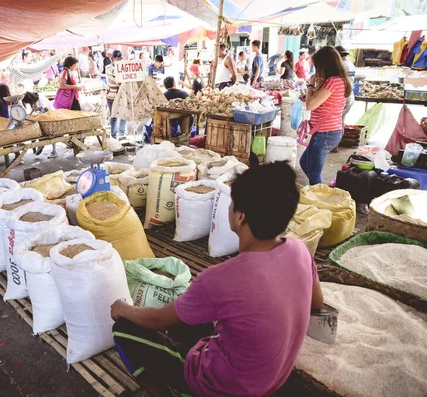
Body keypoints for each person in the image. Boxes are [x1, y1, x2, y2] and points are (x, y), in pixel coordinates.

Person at [111, 162, 324, 397]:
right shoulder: (300, 250)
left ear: (240, 216)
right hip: (272, 379)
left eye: (232, 203)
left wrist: (123, 308)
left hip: (220, 387)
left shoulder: (221, 279)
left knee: (123, 329)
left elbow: (159, 321)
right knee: (191, 313)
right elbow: (316, 303)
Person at [300, 46, 351, 185]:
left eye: (317, 66)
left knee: (314, 174)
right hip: (327, 131)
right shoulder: (339, 80)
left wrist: (310, 85)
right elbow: (320, 100)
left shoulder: (333, 81)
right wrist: (311, 92)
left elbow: (311, 105)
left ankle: (320, 199)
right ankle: (319, 191)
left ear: (325, 65)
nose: (316, 69)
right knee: (304, 163)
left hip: (325, 133)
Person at [106, 50, 126, 139]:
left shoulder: (122, 68)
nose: (119, 61)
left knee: (124, 114)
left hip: (122, 95)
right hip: (112, 96)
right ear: (113, 58)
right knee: (113, 116)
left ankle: (122, 134)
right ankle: (113, 136)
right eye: (118, 59)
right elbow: (118, 77)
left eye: (120, 59)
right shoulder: (109, 68)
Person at [335, 46, 356, 128]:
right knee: (340, 121)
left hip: (342, 97)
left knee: (336, 121)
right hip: (349, 95)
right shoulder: (350, 64)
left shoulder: (340, 65)